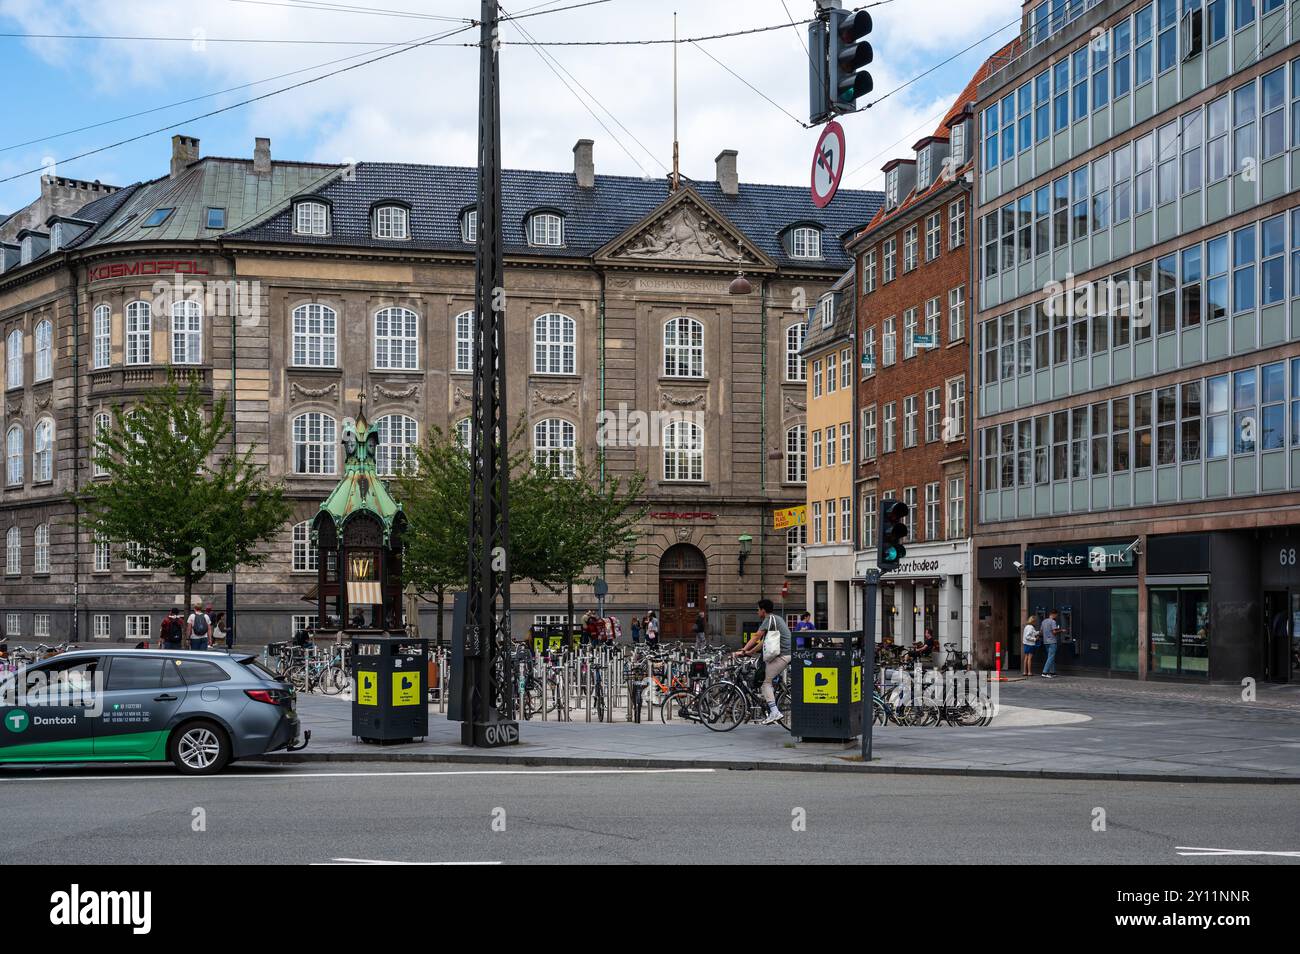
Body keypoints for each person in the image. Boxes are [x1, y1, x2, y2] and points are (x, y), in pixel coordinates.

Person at [734, 599, 792, 725]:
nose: (757, 612)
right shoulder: (777, 619)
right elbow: (763, 643)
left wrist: (743, 649)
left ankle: (774, 711)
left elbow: (756, 637)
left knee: (766, 682)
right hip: (784, 655)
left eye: (758, 609)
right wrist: (749, 652)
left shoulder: (769, 619)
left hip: (783, 656)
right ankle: (773, 701)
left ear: (763, 610)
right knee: (764, 673)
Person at [1040, 608, 1059, 678]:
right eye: (1056, 615)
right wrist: (1061, 631)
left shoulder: (1043, 621)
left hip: (1046, 642)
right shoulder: (1053, 621)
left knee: (1050, 657)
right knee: (1051, 657)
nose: (1056, 617)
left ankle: (1052, 672)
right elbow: (1054, 632)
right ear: (1054, 614)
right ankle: (1044, 672)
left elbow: (1041, 632)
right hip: (1052, 641)